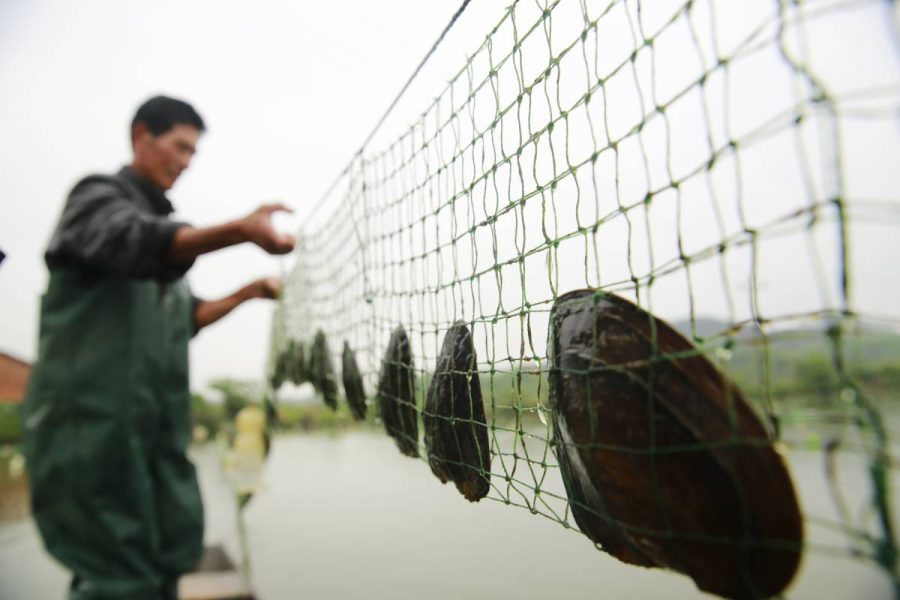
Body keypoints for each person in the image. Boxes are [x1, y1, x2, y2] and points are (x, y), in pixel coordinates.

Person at [23, 95, 295, 599]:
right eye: (179, 146)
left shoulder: (166, 241)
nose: (185, 162)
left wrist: (246, 293)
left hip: (157, 439)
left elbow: (187, 316)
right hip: (93, 438)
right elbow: (135, 241)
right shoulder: (97, 200)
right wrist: (240, 230)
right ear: (141, 136)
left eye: (193, 153)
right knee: (116, 575)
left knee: (173, 552)